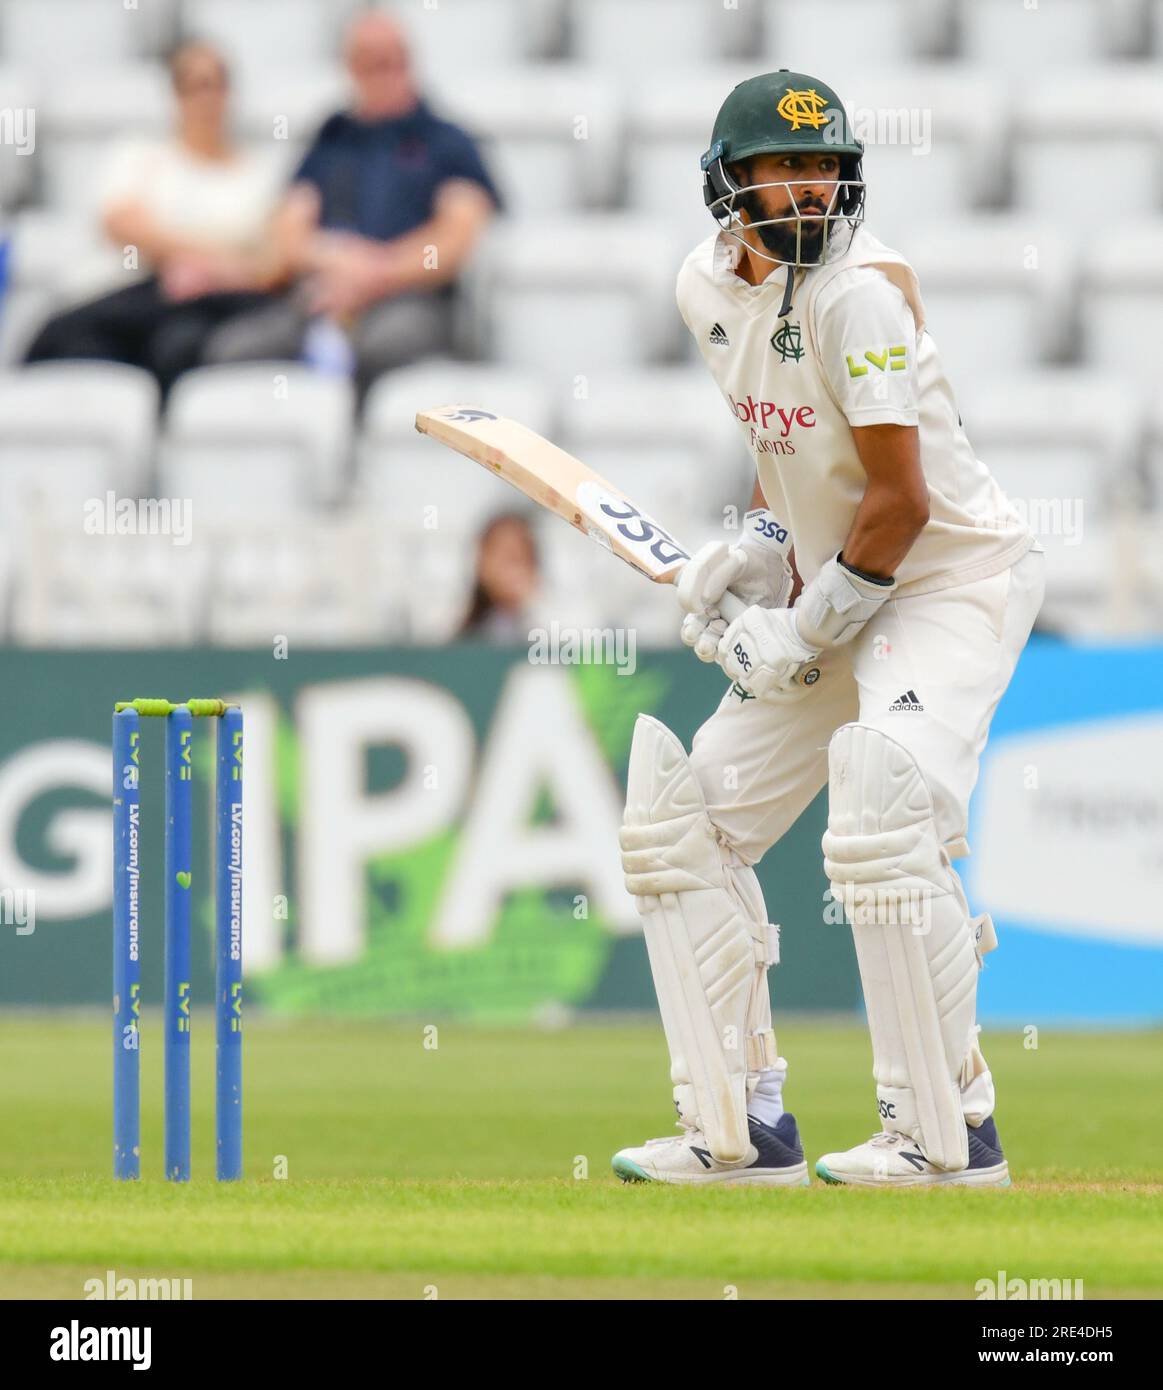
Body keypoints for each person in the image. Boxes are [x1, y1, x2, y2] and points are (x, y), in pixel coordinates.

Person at [612, 71, 1043, 1188]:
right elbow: (799, 457)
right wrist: (758, 546)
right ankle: (737, 1125)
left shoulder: (856, 292)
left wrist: (797, 629)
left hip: (948, 579)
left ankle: (949, 1133)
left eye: (822, 170)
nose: (804, 193)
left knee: (883, 816)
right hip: (843, 574)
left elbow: (898, 502)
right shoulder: (701, 294)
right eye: (777, 171)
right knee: (683, 819)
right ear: (726, 186)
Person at [204, 10, 500, 393]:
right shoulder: (332, 137)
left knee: (380, 351)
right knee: (231, 352)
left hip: (411, 298)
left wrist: (377, 274)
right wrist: (334, 260)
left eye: (390, 61)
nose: (381, 74)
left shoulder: (447, 141)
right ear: (350, 67)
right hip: (322, 295)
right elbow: (288, 228)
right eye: (368, 63)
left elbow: (456, 236)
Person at [25, 40, 288, 394]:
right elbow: (123, 224)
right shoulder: (141, 154)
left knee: (176, 350)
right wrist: (210, 257)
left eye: (214, 84)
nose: (205, 99)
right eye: (193, 86)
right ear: (175, 96)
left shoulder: (258, 176)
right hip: (129, 301)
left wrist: (201, 268)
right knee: (63, 346)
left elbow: (274, 264)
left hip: (206, 313)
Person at [458, 513, 541, 641]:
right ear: (481, 563)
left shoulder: (549, 629)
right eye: (504, 553)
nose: (516, 561)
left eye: (524, 551)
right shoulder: (464, 639)